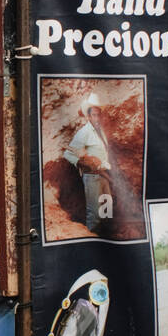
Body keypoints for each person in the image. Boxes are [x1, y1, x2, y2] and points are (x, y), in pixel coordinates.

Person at [63, 93, 112, 233]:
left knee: (107, 210)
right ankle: (93, 241)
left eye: (98, 115)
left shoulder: (100, 131)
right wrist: (80, 163)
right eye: (94, 115)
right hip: (92, 177)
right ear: (89, 117)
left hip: (104, 175)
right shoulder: (84, 132)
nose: (97, 118)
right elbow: (68, 153)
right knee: (95, 213)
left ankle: (104, 240)